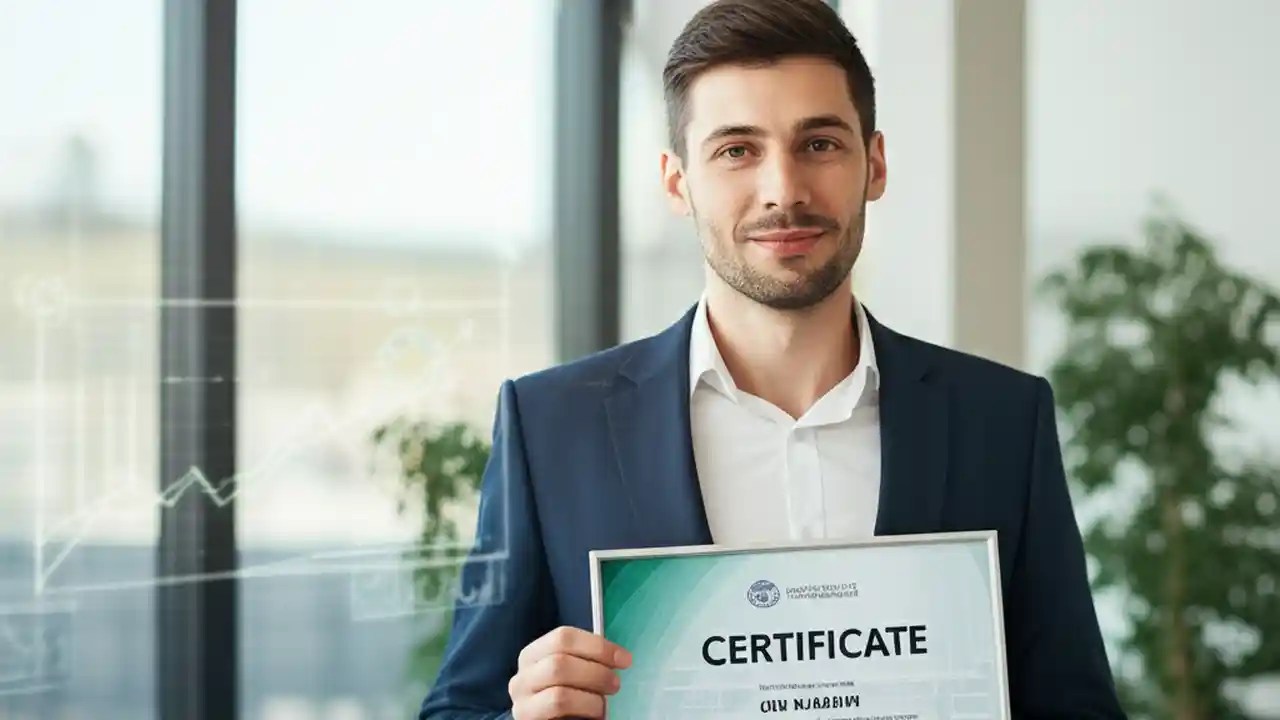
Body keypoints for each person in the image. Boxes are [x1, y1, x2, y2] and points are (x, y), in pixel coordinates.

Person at [420, 0, 1124, 717]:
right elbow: (457, 708)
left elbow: (1077, 705)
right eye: (736, 150)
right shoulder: (550, 428)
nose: (783, 190)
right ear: (676, 182)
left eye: (819, 143)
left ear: (873, 165)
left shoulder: (1002, 421)